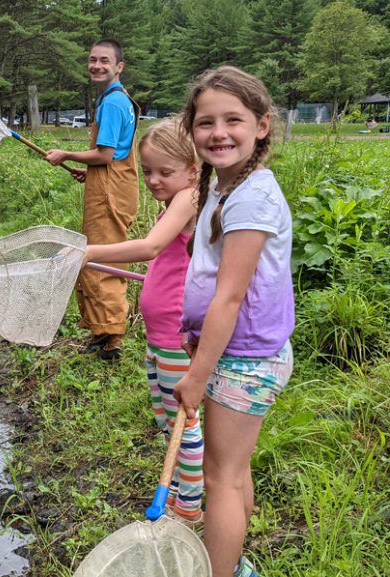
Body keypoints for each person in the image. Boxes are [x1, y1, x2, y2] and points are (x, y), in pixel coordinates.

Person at [174, 66, 295, 577]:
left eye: (233, 120)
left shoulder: (253, 197)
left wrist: (196, 377)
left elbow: (229, 298)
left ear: (262, 125)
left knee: (219, 480)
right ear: (192, 130)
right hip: (237, 353)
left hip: (245, 360)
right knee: (234, 469)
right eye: (205, 123)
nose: (218, 132)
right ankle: (236, 564)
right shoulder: (226, 188)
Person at [84, 116, 204, 524]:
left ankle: (188, 506)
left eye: (164, 172)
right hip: (158, 338)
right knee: (167, 419)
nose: (153, 180)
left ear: (194, 169)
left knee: (184, 427)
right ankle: (177, 491)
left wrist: (89, 253)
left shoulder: (190, 197)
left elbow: (152, 248)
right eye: (147, 170)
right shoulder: (173, 201)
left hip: (175, 337)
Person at [44, 39, 140, 361]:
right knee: (102, 256)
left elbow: (105, 154)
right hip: (112, 183)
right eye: (92, 60)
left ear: (119, 67)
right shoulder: (116, 99)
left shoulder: (112, 103)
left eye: (104, 61)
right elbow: (114, 157)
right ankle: (103, 331)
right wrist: (91, 173)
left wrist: (66, 154)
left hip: (111, 192)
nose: (96, 66)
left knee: (101, 261)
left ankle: (112, 340)